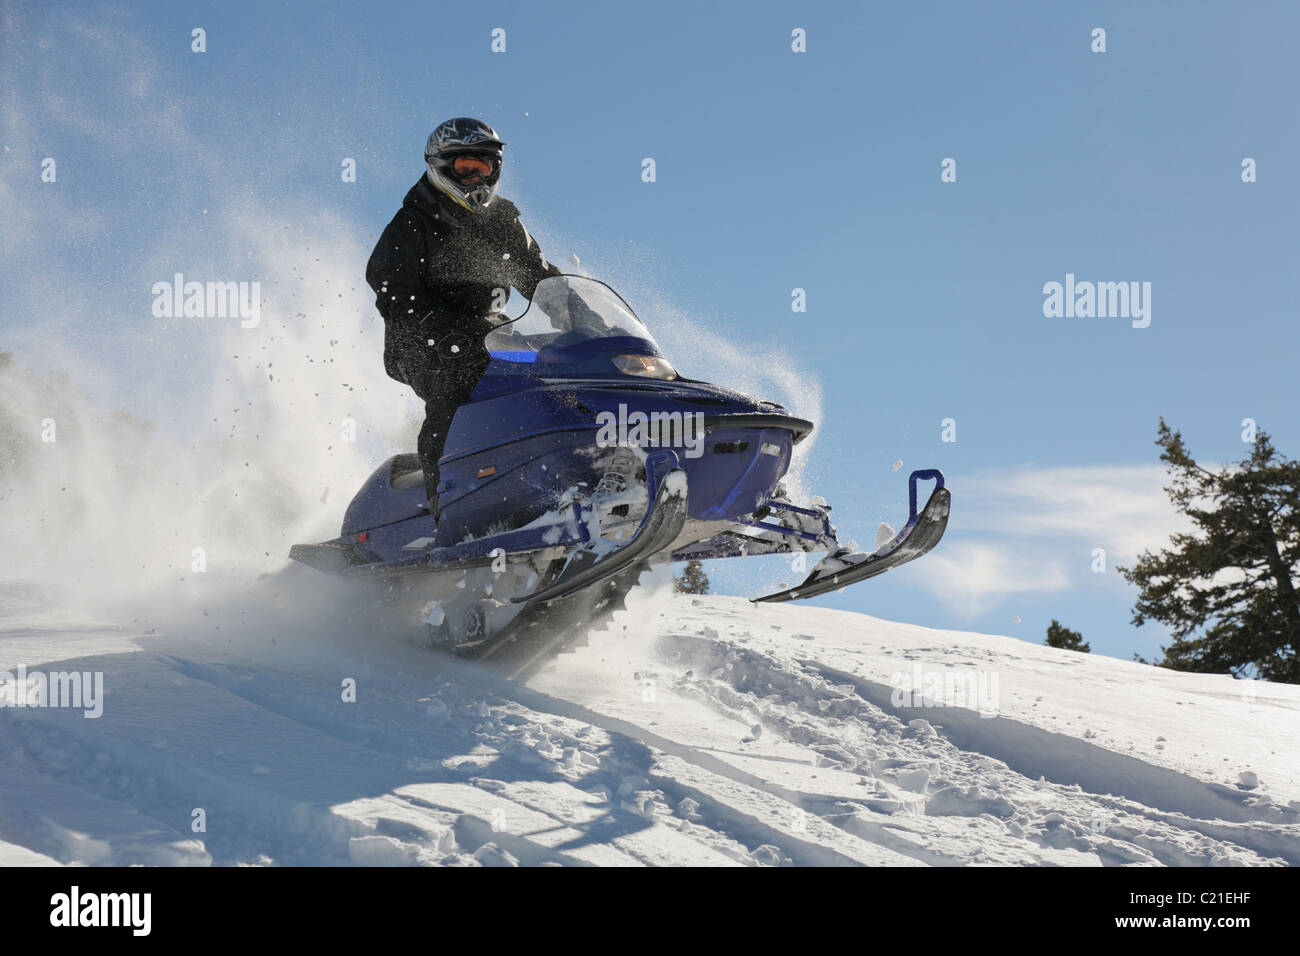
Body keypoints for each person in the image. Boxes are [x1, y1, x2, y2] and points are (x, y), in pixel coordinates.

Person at [366, 117, 559, 516]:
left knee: (553, 377)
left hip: (488, 336)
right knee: (453, 392)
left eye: (483, 168)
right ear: (440, 167)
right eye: (465, 169)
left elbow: (539, 276)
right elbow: (389, 286)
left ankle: (558, 478)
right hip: (420, 340)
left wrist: (581, 313)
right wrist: (433, 329)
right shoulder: (413, 221)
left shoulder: (503, 220)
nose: (475, 179)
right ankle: (445, 507)